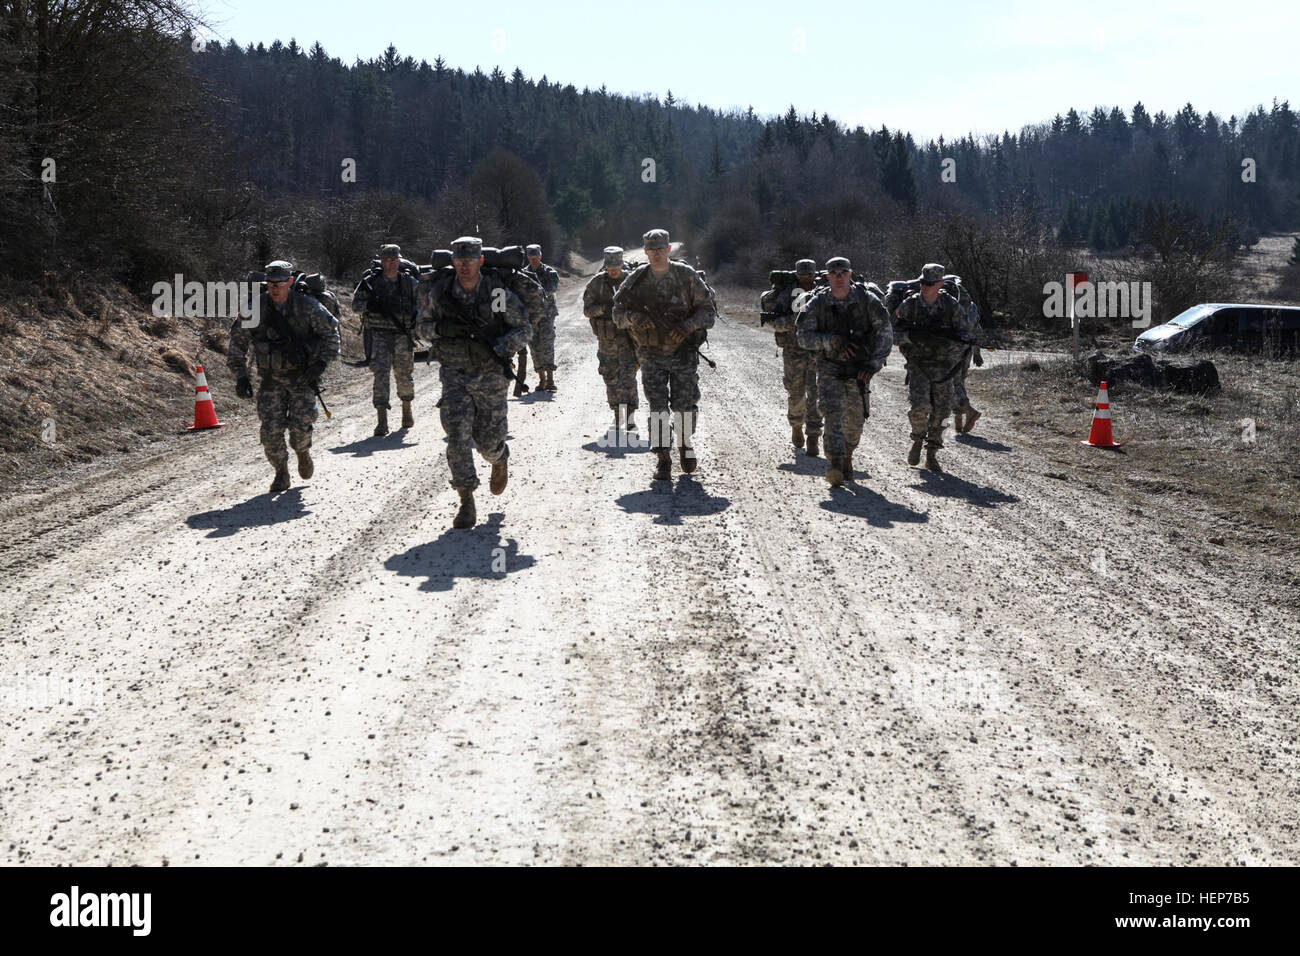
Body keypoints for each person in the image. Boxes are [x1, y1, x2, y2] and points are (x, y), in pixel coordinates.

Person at [417, 236, 531, 529]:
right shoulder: (441, 292)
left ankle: (499, 458)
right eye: (459, 261)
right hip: (454, 374)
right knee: (456, 437)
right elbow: (421, 328)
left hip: (490, 375)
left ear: (480, 260)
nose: (464, 266)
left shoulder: (495, 293)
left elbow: (523, 328)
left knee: (488, 442)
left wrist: (501, 347)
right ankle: (466, 500)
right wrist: (442, 327)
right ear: (453, 262)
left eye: (470, 261)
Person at [227, 260, 341, 492]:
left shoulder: (308, 306)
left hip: (302, 379)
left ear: (289, 282)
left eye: (279, 283)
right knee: (270, 431)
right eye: (269, 283)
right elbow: (237, 344)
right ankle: (281, 473)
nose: (274, 287)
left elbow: (331, 335)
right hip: (270, 380)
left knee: (301, 427)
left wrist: (320, 364)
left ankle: (302, 451)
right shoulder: (254, 308)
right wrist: (241, 376)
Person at [612, 229, 716, 481]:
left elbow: (708, 313)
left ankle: (685, 442)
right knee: (658, 408)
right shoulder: (636, 279)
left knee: (684, 406)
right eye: (652, 249)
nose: (657, 254)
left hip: (683, 354)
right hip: (650, 355)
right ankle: (663, 458)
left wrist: (688, 326)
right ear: (645, 251)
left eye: (661, 249)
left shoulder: (686, 276)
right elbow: (617, 314)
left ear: (668, 250)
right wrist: (632, 317)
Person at [795, 257, 892, 486]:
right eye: (834, 273)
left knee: (855, 419)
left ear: (850, 275)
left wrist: (874, 364)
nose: (838, 277)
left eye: (843, 273)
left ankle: (848, 455)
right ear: (827, 277)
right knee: (832, 413)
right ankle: (835, 462)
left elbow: (885, 334)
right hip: (829, 366)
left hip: (859, 368)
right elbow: (802, 338)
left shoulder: (867, 301)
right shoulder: (817, 303)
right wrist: (831, 341)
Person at [888, 263, 975, 472]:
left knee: (942, 411)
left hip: (944, 368)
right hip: (919, 365)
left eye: (929, 283)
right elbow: (890, 333)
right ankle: (917, 439)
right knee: (919, 407)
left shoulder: (950, 306)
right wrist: (912, 337)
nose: (924, 286)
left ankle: (932, 452)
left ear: (940, 284)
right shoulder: (910, 305)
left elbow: (966, 336)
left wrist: (946, 348)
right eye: (922, 282)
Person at [351, 244, 420, 436]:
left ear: (398, 260)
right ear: (381, 261)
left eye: (393, 260)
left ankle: (406, 408)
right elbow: (355, 305)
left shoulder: (409, 283)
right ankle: (382, 420)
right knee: (380, 375)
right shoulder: (371, 282)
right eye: (386, 260)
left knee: (404, 375)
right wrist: (370, 305)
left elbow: (422, 305)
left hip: (402, 335)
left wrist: (416, 321)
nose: (390, 263)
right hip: (379, 335)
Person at [761, 258, 822, 456]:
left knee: (816, 393)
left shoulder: (823, 293)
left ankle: (813, 435)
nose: (806, 280)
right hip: (793, 350)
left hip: (817, 351)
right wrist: (798, 321)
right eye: (802, 276)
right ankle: (796, 425)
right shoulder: (786, 294)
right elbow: (775, 322)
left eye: (809, 276)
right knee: (796, 392)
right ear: (797, 275)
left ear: (815, 275)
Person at [582, 245, 640, 432]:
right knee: (610, 377)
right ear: (605, 265)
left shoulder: (632, 282)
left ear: (622, 263)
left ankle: (630, 417)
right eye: (610, 266)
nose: (614, 270)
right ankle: (617, 415)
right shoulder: (596, 284)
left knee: (628, 377)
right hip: (607, 341)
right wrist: (603, 309)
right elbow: (587, 311)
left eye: (617, 266)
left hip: (629, 339)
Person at [523, 243, 560, 391]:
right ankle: (541, 380)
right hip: (531, 317)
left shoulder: (549, 272)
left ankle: (550, 379)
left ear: (540, 256)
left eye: (536, 257)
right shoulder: (523, 274)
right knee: (534, 347)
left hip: (546, 315)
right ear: (528, 257)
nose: (534, 260)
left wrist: (533, 292)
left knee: (547, 345)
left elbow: (551, 289)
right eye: (531, 257)